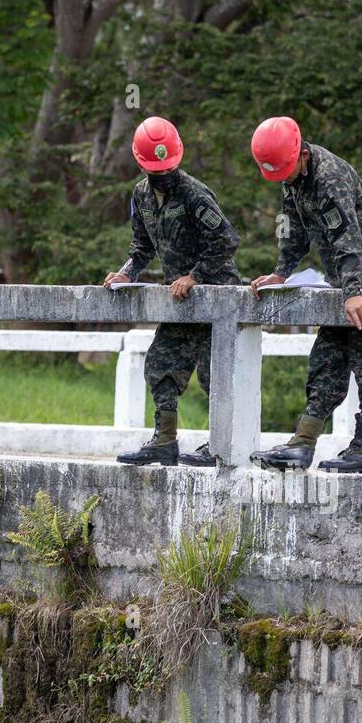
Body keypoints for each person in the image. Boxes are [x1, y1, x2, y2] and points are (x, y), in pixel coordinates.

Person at [249, 116, 362, 474]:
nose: (284, 179)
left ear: (300, 153)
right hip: (343, 285)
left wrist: (353, 293)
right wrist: (281, 273)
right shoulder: (293, 177)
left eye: (286, 171)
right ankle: (302, 444)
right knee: (327, 360)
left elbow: (348, 238)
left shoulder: (328, 178)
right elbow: (294, 232)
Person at [104, 115, 241, 466]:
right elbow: (141, 247)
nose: (162, 176)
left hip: (216, 295)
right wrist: (125, 273)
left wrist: (194, 276)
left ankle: (222, 446)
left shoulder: (195, 194)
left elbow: (226, 241)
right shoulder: (141, 196)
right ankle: (164, 440)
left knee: (217, 373)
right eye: (155, 170)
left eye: (166, 169)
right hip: (179, 300)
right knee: (162, 363)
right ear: (142, 164)